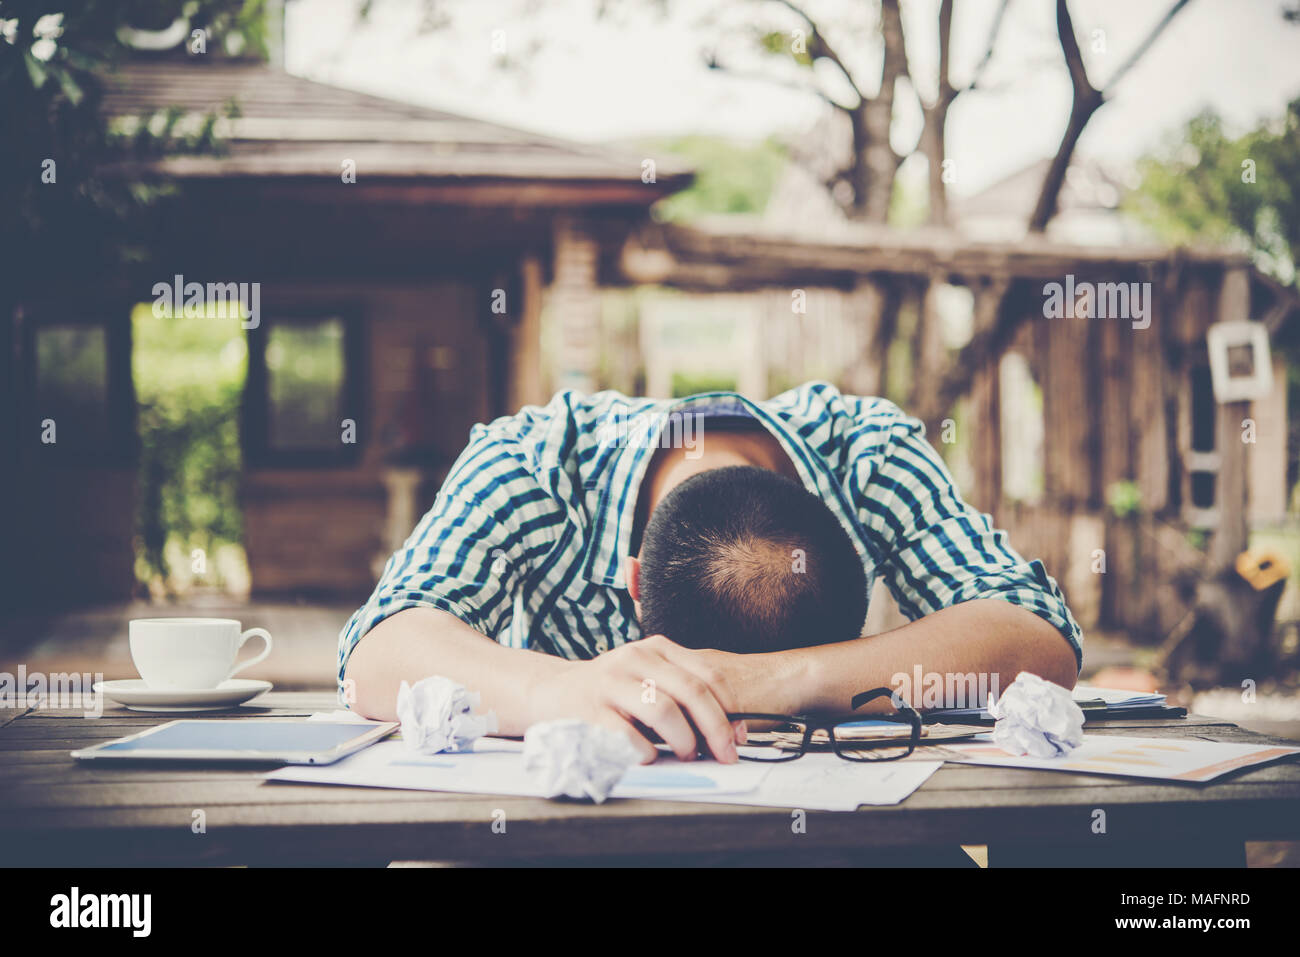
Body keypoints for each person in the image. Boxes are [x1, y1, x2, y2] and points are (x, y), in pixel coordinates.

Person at [340, 383, 1081, 765]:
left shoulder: (869, 454)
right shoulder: (533, 461)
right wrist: (556, 687)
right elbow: (375, 652)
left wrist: (786, 681)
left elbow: (1039, 639)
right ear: (635, 583)